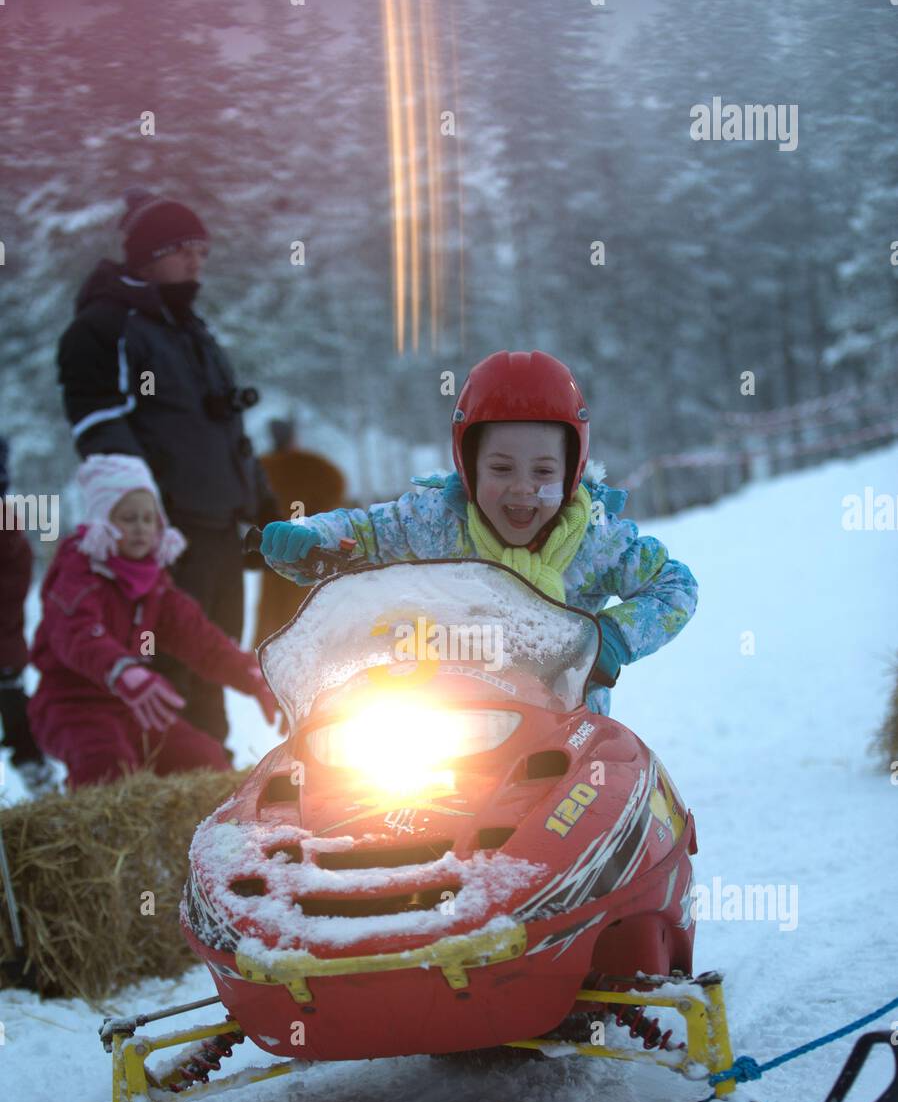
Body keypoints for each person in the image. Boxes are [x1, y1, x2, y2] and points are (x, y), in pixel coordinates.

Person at [258, 350, 697, 714]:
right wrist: (313, 537)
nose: (523, 488)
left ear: (572, 473)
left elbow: (674, 587)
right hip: (436, 722)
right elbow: (365, 531)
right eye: (501, 469)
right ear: (468, 467)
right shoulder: (433, 520)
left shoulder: (598, 540)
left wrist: (612, 639)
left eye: (543, 470)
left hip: (565, 729)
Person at [56, 188, 279, 749]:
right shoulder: (103, 328)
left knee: (215, 654)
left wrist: (263, 503)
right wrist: (142, 522)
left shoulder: (191, 330)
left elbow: (227, 431)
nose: (196, 264)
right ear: (147, 254)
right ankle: (167, 786)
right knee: (166, 663)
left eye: (202, 253)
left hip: (217, 528)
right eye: (183, 250)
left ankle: (208, 786)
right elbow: (100, 429)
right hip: (164, 535)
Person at [27, 455, 278, 790]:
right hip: (71, 706)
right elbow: (75, 634)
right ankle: (100, 836)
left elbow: (199, 639)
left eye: (149, 519)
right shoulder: (79, 572)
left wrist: (252, 676)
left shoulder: (153, 582)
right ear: (103, 521)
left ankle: (207, 838)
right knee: (109, 770)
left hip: (133, 708)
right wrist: (121, 670)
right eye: (128, 518)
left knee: (205, 760)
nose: (141, 527)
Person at [251, 417, 347, 646]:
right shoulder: (312, 466)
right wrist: (318, 515)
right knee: (304, 604)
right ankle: (305, 651)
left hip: (272, 547)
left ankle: (267, 657)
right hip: (307, 548)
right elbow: (338, 484)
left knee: (271, 610)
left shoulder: (262, 466)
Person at [0, 438, 55, 794]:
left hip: (5, 653)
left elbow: (13, 590)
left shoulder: (9, 533)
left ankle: (39, 778)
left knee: (20, 725)